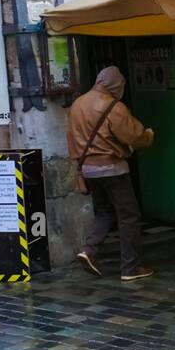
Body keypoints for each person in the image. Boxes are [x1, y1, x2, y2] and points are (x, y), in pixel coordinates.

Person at [67, 66, 155, 281]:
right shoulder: (113, 106)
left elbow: (71, 137)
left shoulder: (77, 103)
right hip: (112, 168)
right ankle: (131, 268)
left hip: (87, 169)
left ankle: (89, 250)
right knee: (129, 216)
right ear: (117, 84)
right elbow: (132, 136)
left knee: (105, 211)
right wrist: (148, 135)